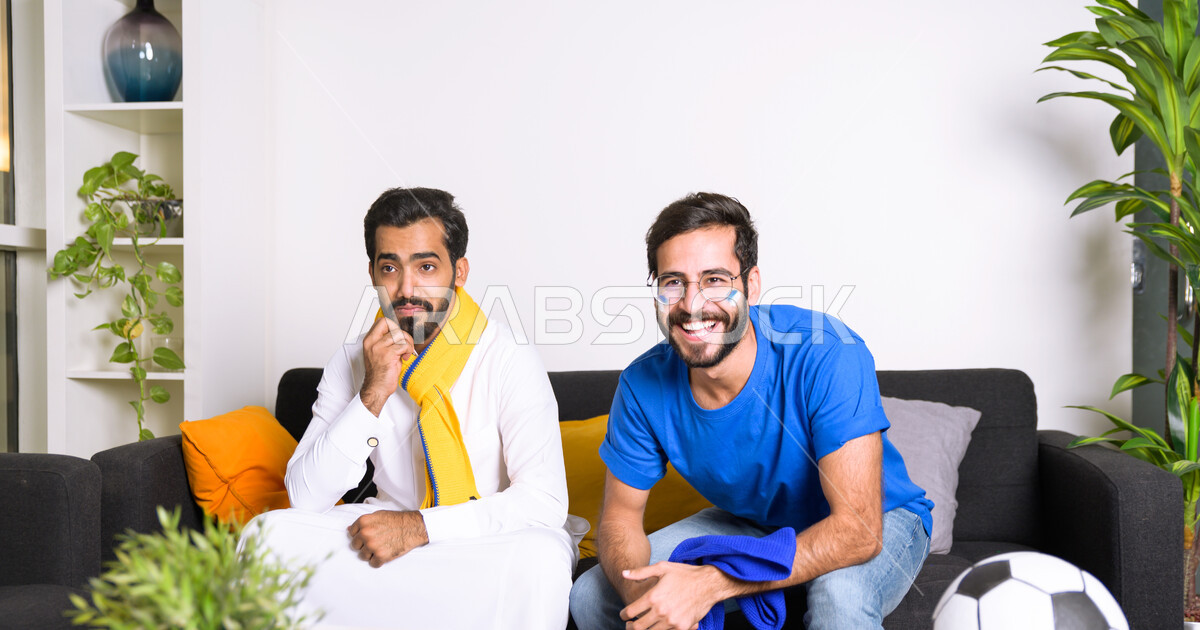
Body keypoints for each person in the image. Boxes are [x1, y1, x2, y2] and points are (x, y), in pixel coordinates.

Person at [568, 192, 932, 630]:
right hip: (753, 524)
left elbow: (856, 530)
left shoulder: (828, 351)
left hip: (879, 519)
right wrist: (649, 597)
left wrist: (710, 584)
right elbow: (620, 521)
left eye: (715, 279)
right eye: (673, 282)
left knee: (841, 595)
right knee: (593, 597)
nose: (691, 304)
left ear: (751, 285)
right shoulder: (642, 385)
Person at [247, 187, 584, 629]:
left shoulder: (507, 354)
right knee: (266, 535)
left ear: (459, 272)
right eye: (390, 268)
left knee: (542, 557)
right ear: (372, 273)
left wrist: (421, 528)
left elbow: (542, 502)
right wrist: (372, 393)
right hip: (385, 529)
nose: (407, 290)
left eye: (426, 267)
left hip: (488, 538)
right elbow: (305, 497)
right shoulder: (354, 357)